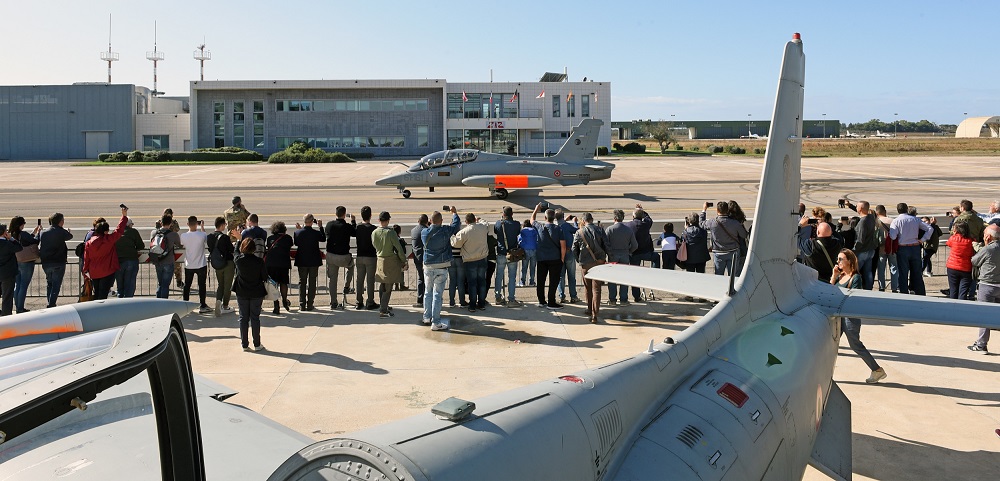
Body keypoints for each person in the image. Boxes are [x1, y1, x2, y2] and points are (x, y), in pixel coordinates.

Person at [830, 248, 887, 383]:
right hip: (839, 316)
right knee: (829, 343)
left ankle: (877, 370)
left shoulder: (856, 278)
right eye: (837, 259)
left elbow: (852, 298)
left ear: (849, 261)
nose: (837, 261)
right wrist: (833, 276)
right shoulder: (840, 275)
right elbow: (830, 292)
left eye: (840, 259)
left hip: (850, 318)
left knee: (855, 345)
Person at [422, 208, 462, 331]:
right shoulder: (445, 231)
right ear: (441, 221)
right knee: (437, 294)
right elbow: (456, 225)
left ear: (430, 221)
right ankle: (436, 321)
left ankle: (426, 317)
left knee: (428, 292)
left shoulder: (424, 232)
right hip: (442, 265)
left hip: (428, 265)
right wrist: (454, 213)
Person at [83, 208, 130, 300]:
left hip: (94, 272)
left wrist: (85, 271)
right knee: (103, 295)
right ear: (105, 232)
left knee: (97, 294)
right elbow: (119, 230)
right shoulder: (108, 240)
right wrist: (124, 217)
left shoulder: (89, 243)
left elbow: (86, 258)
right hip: (107, 271)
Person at [573, 212, 610, 323]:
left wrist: (579, 260)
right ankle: (595, 314)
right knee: (597, 289)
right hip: (599, 262)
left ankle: (589, 309)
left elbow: (574, 248)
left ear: (583, 221)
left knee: (587, 288)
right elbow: (606, 245)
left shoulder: (579, 232)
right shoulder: (599, 230)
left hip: (585, 262)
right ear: (592, 219)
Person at [968, 224, 1000, 353]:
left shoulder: (988, 249)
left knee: (984, 315)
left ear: (988, 236)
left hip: (988, 284)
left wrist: (985, 246)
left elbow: (974, 261)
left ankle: (981, 344)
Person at [888, 202, 932, 295]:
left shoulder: (896, 221)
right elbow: (930, 229)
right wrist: (922, 239)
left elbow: (892, 236)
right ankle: (920, 293)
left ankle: (904, 292)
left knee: (903, 273)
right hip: (915, 247)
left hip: (903, 248)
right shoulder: (915, 219)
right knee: (917, 273)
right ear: (906, 209)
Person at [233, 238, 267, 352]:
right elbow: (264, 277)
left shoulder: (239, 260)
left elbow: (235, 252)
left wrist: (238, 241)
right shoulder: (259, 261)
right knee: (255, 318)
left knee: (243, 318)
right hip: (256, 292)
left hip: (242, 291)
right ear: (254, 249)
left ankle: (244, 344)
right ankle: (257, 344)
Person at [452, 213, 490, 312]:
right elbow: (485, 223)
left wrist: (452, 237)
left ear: (466, 222)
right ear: (475, 220)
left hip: (470, 260)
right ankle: (481, 303)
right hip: (482, 258)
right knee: (482, 282)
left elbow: (456, 244)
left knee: (472, 283)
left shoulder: (464, 232)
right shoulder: (483, 228)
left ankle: (472, 305)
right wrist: (479, 219)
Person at [531, 203, 566, 310]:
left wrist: (536, 209)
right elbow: (563, 246)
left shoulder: (540, 227)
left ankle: (541, 301)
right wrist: (562, 259)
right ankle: (551, 301)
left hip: (542, 258)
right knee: (553, 280)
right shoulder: (558, 229)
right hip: (555, 258)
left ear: (545, 217)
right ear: (554, 218)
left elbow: (532, 220)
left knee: (541, 280)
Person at [373, 211, 407, 318]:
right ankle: (383, 310)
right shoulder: (391, 232)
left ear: (379, 220)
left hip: (379, 259)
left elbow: (375, 245)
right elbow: (398, 248)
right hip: (390, 260)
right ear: (388, 220)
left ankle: (384, 306)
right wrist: (403, 260)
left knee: (382, 284)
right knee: (388, 286)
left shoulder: (374, 232)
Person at [700, 201, 749, 277]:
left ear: (717, 211)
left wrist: (704, 209)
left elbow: (701, 223)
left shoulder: (712, 222)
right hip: (733, 252)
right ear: (727, 210)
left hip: (719, 253)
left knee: (719, 276)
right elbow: (744, 235)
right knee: (733, 276)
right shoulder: (735, 223)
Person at [38, 213, 73, 308]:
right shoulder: (60, 232)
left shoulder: (44, 232)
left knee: (49, 283)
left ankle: (50, 302)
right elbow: (70, 236)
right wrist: (65, 230)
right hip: (58, 262)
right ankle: (51, 304)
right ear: (60, 222)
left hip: (46, 263)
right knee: (56, 285)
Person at [325, 206, 356, 309]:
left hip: (331, 256)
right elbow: (355, 232)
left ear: (336, 214)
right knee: (351, 266)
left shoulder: (329, 225)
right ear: (344, 214)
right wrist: (353, 221)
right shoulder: (347, 226)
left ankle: (333, 302)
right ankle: (346, 286)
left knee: (332, 280)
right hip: (344, 257)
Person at [843, 200, 879, 290]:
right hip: (870, 250)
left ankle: (852, 288)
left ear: (861, 209)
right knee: (868, 272)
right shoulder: (871, 217)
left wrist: (853, 251)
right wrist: (849, 205)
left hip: (862, 251)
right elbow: (862, 211)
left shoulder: (863, 222)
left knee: (854, 272)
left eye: (857, 206)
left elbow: (860, 240)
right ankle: (868, 289)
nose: (856, 208)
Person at [604, 209, 638, 305]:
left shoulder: (609, 229)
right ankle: (623, 299)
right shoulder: (628, 230)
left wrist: (609, 253)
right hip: (624, 255)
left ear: (614, 218)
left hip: (613, 256)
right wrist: (629, 251)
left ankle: (612, 299)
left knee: (612, 279)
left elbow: (606, 244)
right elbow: (635, 245)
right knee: (623, 278)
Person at [293, 213, 325, 311]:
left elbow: (297, 243)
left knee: (302, 282)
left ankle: (302, 304)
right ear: (312, 222)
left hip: (302, 261)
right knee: (312, 282)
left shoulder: (298, 233)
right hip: (313, 261)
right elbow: (323, 238)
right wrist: (320, 227)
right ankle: (310, 304)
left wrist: (299, 230)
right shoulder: (315, 233)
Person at [180, 216, 212, 314]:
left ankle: (185, 304)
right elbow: (205, 238)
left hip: (189, 264)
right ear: (196, 224)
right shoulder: (201, 235)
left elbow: (182, 244)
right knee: (202, 285)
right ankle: (202, 304)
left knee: (187, 285)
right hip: (201, 264)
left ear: (187, 224)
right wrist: (202, 227)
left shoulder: (184, 236)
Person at [625, 204, 656, 301]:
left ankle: (636, 296)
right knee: (656, 257)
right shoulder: (646, 224)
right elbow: (649, 219)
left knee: (635, 275)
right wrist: (642, 211)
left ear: (633, 216)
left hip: (634, 253)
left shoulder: (628, 225)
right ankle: (656, 273)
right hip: (646, 252)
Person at [11, 217, 41, 313]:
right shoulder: (23, 234)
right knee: (23, 285)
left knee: (18, 285)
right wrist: (39, 234)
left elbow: (28, 239)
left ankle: (18, 307)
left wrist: (33, 232)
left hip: (16, 261)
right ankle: (20, 308)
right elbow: (34, 241)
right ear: (20, 225)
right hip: (26, 262)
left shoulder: (11, 234)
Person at [207, 216, 235, 317]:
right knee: (227, 286)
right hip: (227, 263)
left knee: (220, 284)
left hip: (217, 264)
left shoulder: (209, 237)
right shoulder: (225, 238)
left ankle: (218, 300)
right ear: (222, 225)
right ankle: (225, 306)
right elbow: (231, 249)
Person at [494, 207, 521, 306]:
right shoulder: (516, 224)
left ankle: (498, 297)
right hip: (512, 254)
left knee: (499, 276)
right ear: (512, 214)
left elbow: (496, 232)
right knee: (512, 277)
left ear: (503, 214)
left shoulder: (498, 223)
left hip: (501, 252)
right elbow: (517, 233)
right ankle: (511, 299)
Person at [151, 213, 182, 299]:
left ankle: (158, 301)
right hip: (168, 261)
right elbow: (179, 245)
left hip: (158, 261)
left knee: (160, 283)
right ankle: (164, 303)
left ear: (161, 223)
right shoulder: (173, 235)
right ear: (171, 224)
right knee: (165, 285)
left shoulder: (154, 233)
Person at [265, 221, 293, 315]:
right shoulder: (288, 238)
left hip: (271, 263)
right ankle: (284, 300)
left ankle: (276, 305)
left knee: (274, 284)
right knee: (283, 283)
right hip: (284, 263)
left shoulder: (270, 239)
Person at [114, 217, 145, 298]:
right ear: (129, 224)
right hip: (131, 260)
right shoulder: (133, 231)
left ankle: (120, 303)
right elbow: (141, 245)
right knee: (129, 286)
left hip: (118, 262)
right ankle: (128, 304)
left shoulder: (116, 232)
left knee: (120, 287)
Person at [354, 206, 378, 310]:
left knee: (359, 280)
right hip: (371, 257)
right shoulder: (373, 229)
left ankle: (359, 301)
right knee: (370, 280)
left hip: (360, 256)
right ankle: (370, 301)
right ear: (370, 215)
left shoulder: (358, 228)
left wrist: (353, 221)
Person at [945, 221, 975, 301]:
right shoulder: (971, 240)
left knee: (953, 289)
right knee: (963, 291)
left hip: (952, 266)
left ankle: (952, 307)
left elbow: (948, 243)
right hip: (966, 267)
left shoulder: (953, 238)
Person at [556, 210, 581, 304]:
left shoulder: (556, 227)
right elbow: (576, 230)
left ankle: (562, 296)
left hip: (559, 254)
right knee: (571, 276)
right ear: (563, 217)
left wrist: (564, 220)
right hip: (569, 252)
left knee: (561, 276)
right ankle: (573, 296)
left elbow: (561, 225)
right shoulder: (567, 226)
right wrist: (574, 221)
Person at [0, 223, 23, 316]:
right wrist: (11, 238)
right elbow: (19, 248)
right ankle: (6, 314)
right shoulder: (7, 244)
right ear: (4, 233)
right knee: (7, 295)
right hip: (7, 274)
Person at [875, 204, 898, 292]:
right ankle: (894, 287)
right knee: (894, 268)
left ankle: (881, 286)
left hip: (880, 248)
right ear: (885, 212)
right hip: (892, 247)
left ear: (877, 212)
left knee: (881, 268)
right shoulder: (893, 221)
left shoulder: (876, 222)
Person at [161, 208, 185, 289]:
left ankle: (178, 281)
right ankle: (171, 282)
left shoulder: (172, 222)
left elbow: (177, 229)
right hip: (166, 246)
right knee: (173, 266)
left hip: (169, 246)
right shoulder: (162, 222)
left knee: (176, 266)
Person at [411, 214, 429, 307]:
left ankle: (420, 298)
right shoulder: (426, 231)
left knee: (420, 278)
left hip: (417, 257)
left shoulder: (413, 230)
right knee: (427, 279)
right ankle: (426, 298)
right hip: (425, 258)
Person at [518, 219, 538, 287]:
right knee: (532, 267)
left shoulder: (523, 231)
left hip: (525, 249)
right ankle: (532, 281)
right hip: (534, 249)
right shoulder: (534, 231)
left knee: (524, 267)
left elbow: (519, 239)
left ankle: (522, 281)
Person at [393, 224, 409, 291]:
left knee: (395, 272)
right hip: (400, 258)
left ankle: (396, 285)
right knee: (401, 272)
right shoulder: (400, 240)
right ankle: (401, 285)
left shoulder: (392, 240)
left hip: (393, 258)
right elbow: (404, 251)